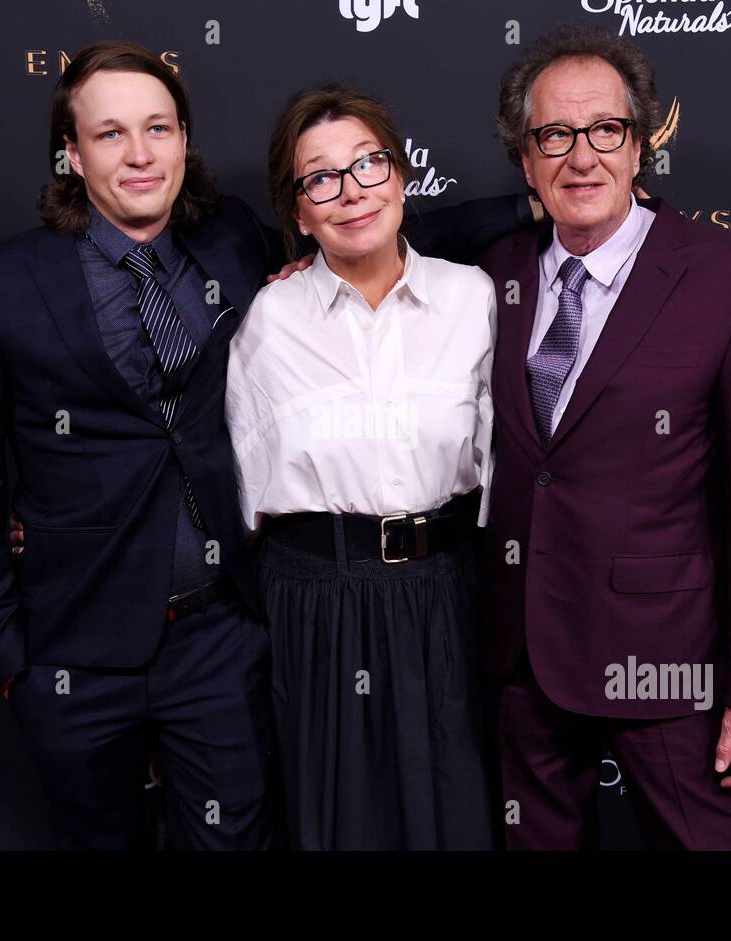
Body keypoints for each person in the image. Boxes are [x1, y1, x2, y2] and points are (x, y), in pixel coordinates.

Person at [0, 40, 531, 850]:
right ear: (70, 153)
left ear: (185, 139)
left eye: (159, 128)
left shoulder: (233, 245)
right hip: (74, 651)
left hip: (223, 636)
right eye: (110, 134)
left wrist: (547, 200)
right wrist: (9, 661)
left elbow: (367, 223)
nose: (141, 154)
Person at [475, 26, 731, 850]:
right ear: (526, 159)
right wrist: (309, 254)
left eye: (605, 131)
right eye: (554, 135)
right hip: (523, 657)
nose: (581, 158)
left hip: (662, 661)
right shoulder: (495, 273)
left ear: (640, 142)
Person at [225, 85, 498, 850]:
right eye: (321, 178)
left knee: (457, 817)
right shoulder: (268, 321)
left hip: (447, 596)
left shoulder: (471, 298)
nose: (351, 193)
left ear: (402, 178)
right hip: (317, 606)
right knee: (338, 824)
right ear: (299, 211)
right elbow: (240, 491)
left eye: (368, 164)